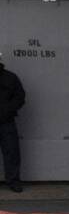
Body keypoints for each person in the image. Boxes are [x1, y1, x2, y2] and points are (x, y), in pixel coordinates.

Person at [0, 51, 25, 192]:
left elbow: (20, 97)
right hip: (7, 121)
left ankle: (13, 181)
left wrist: (7, 110)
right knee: (11, 152)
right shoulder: (10, 77)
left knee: (12, 152)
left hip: (6, 121)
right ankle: (13, 181)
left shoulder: (11, 78)